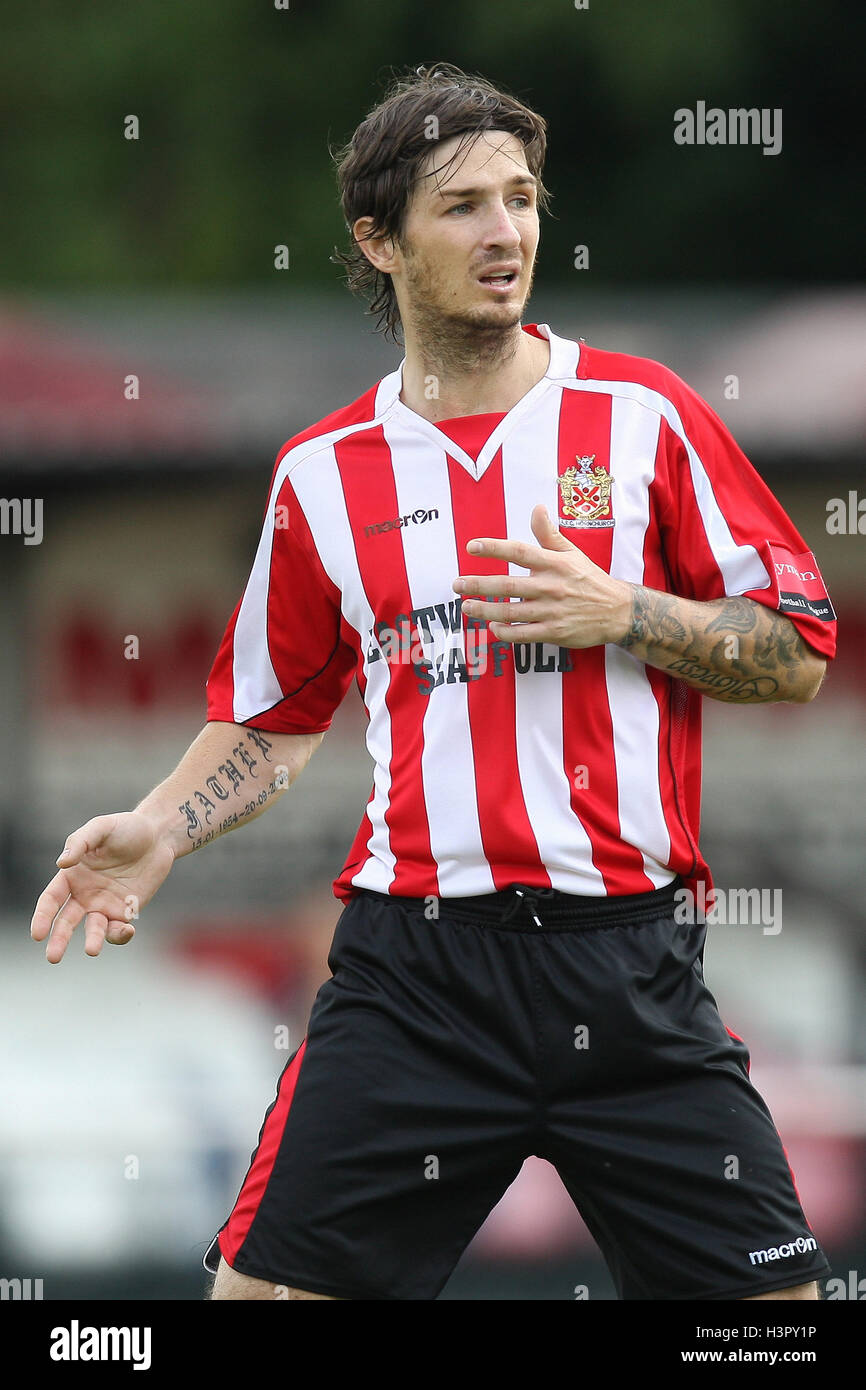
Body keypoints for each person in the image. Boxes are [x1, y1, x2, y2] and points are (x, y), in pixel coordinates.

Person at [31, 63, 837, 1302]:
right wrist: (160, 828)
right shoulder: (320, 475)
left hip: (626, 970)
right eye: (462, 205)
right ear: (379, 239)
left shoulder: (646, 415)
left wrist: (623, 610)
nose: (505, 231)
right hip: (416, 977)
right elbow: (272, 718)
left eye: (520, 198)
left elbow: (797, 649)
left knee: (773, 1325)